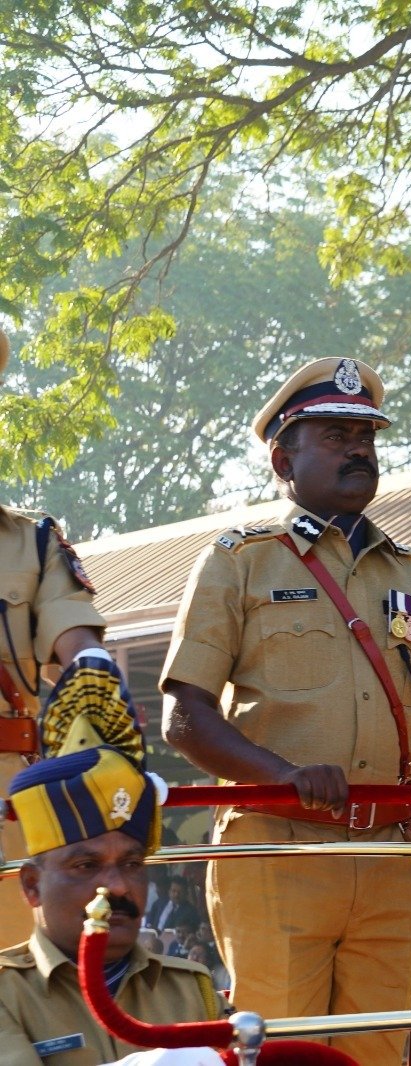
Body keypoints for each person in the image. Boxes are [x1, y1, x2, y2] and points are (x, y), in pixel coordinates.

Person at [159, 357, 411, 1065]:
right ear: (283, 457)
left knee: (381, 1056)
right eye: (334, 435)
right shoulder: (238, 561)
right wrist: (285, 774)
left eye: (366, 435)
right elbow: (185, 718)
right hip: (278, 849)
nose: (359, 448)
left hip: (394, 859)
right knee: (282, 1055)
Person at [0, 742, 226, 1065]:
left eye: (131, 864)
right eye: (86, 867)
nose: (119, 886)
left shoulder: (191, 989)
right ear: (32, 885)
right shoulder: (6, 995)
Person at [0, 329, 116, 949]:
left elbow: (74, 637)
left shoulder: (32, 542)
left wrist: (94, 673)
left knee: (14, 980)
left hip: (11, 808)